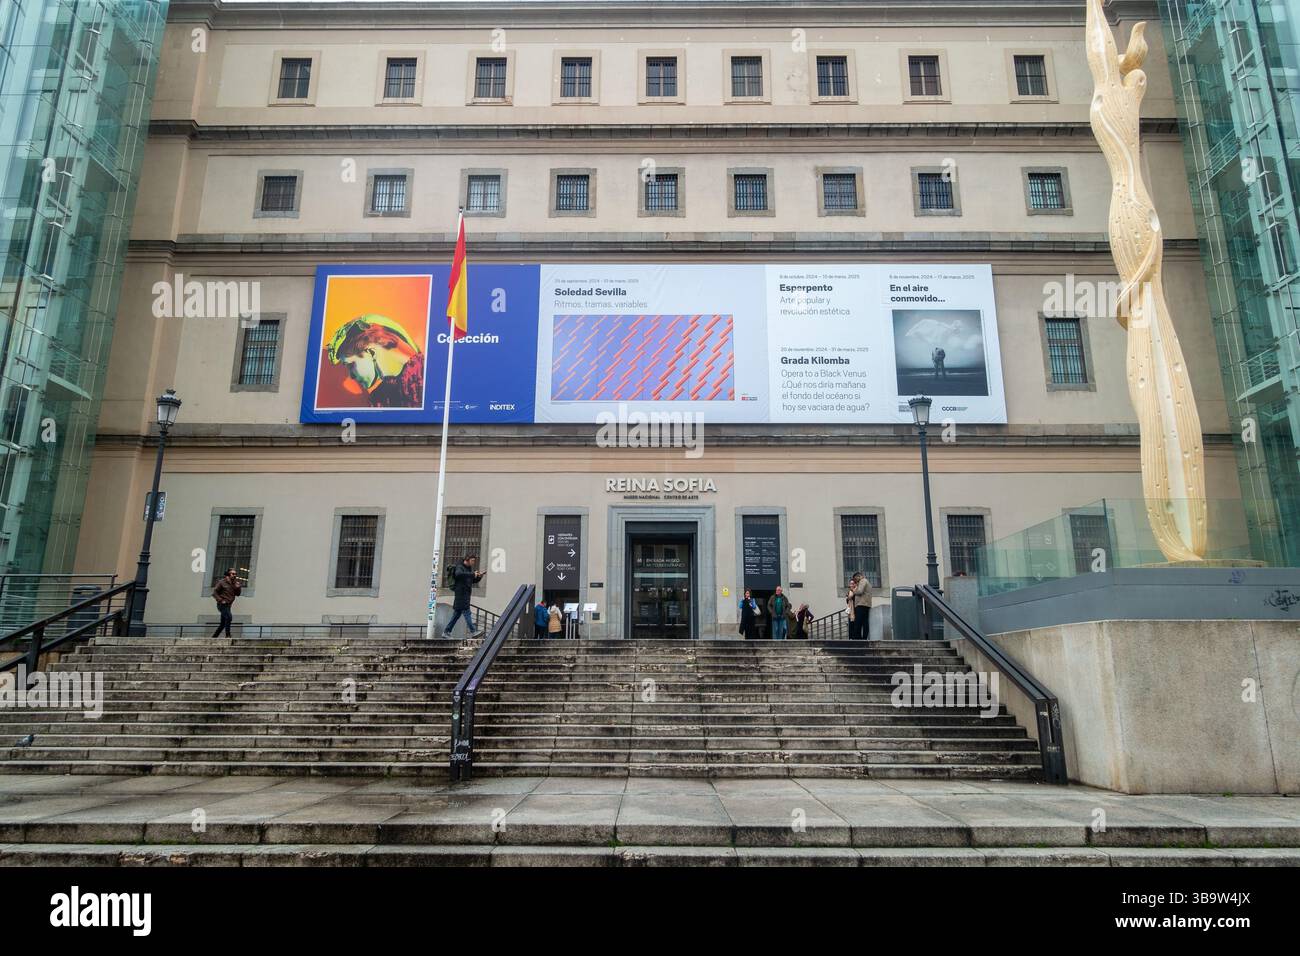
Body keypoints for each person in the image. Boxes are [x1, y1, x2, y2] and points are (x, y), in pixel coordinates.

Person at [326, 314, 425, 408]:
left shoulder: (423, 376)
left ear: (372, 353)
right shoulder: (379, 400)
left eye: (351, 365)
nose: (351, 376)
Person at [442, 554, 485, 638]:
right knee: (467, 611)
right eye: (472, 560)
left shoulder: (468, 569)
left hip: (465, 594)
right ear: (467, 559)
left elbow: (472, 580)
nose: (473, 562)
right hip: (461, 594)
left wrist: (479, 577)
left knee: (456, 615)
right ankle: (473, 631)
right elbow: (458, 574)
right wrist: (473, 574)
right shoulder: (460, 566)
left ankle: (446, 632)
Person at [212, 568, 242, 638]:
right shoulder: (222, 582)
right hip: (222, 604)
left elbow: (238, 594)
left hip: (229, 605)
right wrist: (220, 600)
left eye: (235, 574)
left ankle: (214, 637)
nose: (234, 575)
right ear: (228, 574)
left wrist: (238, 588)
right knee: (229, 617)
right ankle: (228, 635)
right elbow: (214, 592)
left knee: (223, 623)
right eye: (233, 574)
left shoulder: (235, 583)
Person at [848, 571, 872, 640]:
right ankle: (864, 638)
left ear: (859, 576)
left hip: (861, 604)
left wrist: (853, 591)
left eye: (855, 579)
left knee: (858, 622)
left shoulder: (863, 581)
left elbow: (860, 591)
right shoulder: (867, 582)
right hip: (866, 604)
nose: (855, 581)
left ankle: (857, 638)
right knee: (864, 622)